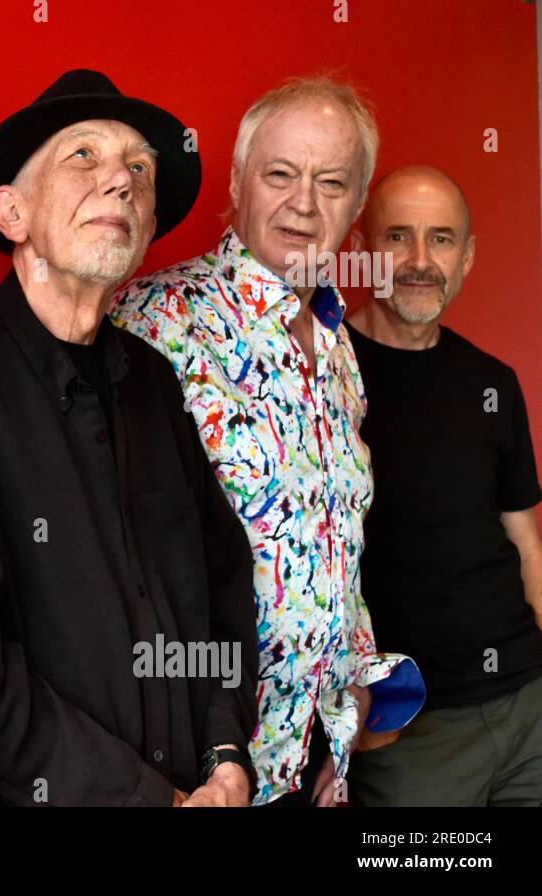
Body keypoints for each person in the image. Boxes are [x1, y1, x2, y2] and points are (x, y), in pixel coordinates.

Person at [0, 69, 258, 807]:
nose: (121, 181)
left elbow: (221, 580)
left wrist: (225, 756)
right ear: (12, 212)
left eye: (140, 168)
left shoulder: (155, 381)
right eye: (84, 156)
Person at [111, 77, 425, 806]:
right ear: (237, 181)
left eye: (332, 183)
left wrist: (342, 727)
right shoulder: (154, 323)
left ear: (356, 202)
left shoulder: (339, 342)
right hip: (206, 768)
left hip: (315, 758)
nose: (305, 204)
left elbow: (336, 545)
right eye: (281, 175)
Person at [345, 166, 542, 806]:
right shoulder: (321, 382)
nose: (420, 261)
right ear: (361, 251)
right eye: (397, 237)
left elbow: (526, 545)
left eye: (443, 239)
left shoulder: (492, 382)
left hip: (528, 709)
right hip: (411, 737)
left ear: (468, 256)